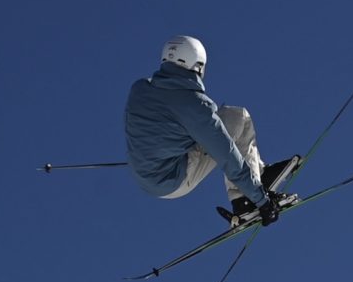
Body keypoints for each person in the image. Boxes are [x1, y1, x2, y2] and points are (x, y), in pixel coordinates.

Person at [124, 36, 301, 227]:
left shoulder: (140, 89)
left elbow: (150, 126)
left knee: (217, 127)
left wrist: (151, 156)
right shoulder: (194, 105)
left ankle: (258, 174)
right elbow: (226, 153)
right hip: (173, 180)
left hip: (143, 173)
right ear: (197, 65)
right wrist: (262, 201)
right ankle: (244, 201)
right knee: (237, 117)